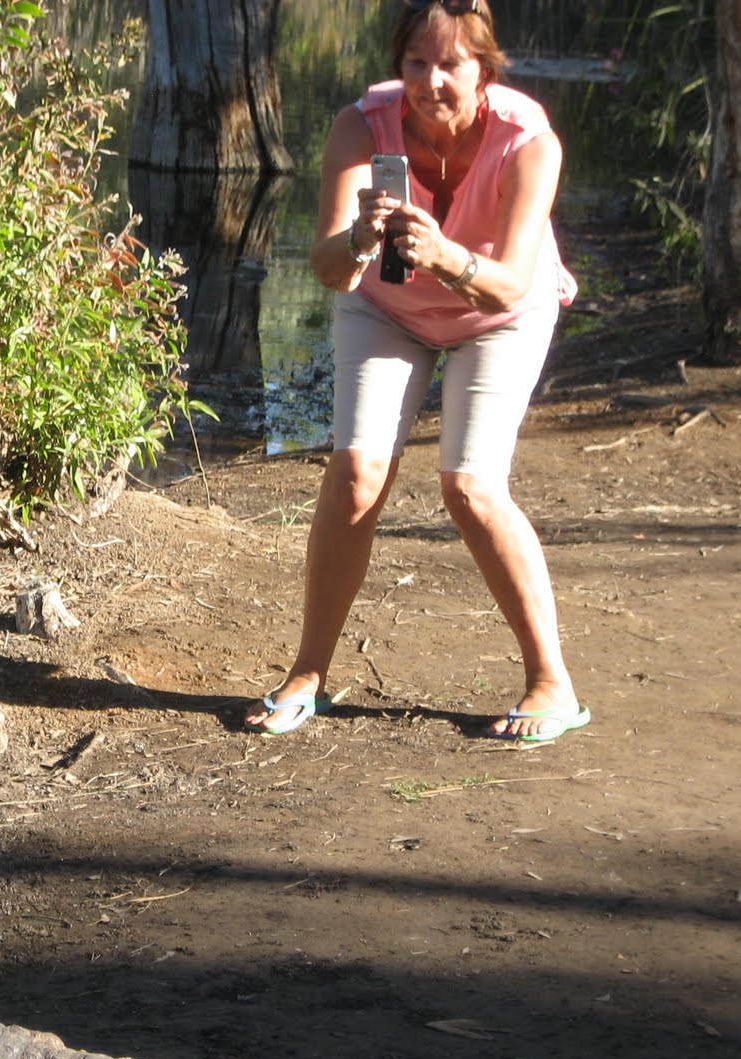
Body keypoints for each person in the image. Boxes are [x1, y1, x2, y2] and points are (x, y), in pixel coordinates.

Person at [244, 0, 588, 742]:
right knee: (355, 474)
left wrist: (444, 255)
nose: (432, 81)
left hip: (498, 313)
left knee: (469, 487)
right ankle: (308, 675)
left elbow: (511, 284)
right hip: (389, 308)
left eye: (452, 64)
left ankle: (550, 684)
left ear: (485, 69)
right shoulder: (360, 127)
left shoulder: (530, 141)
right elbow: (330, 272)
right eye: (415, 64)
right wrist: (362, 238)